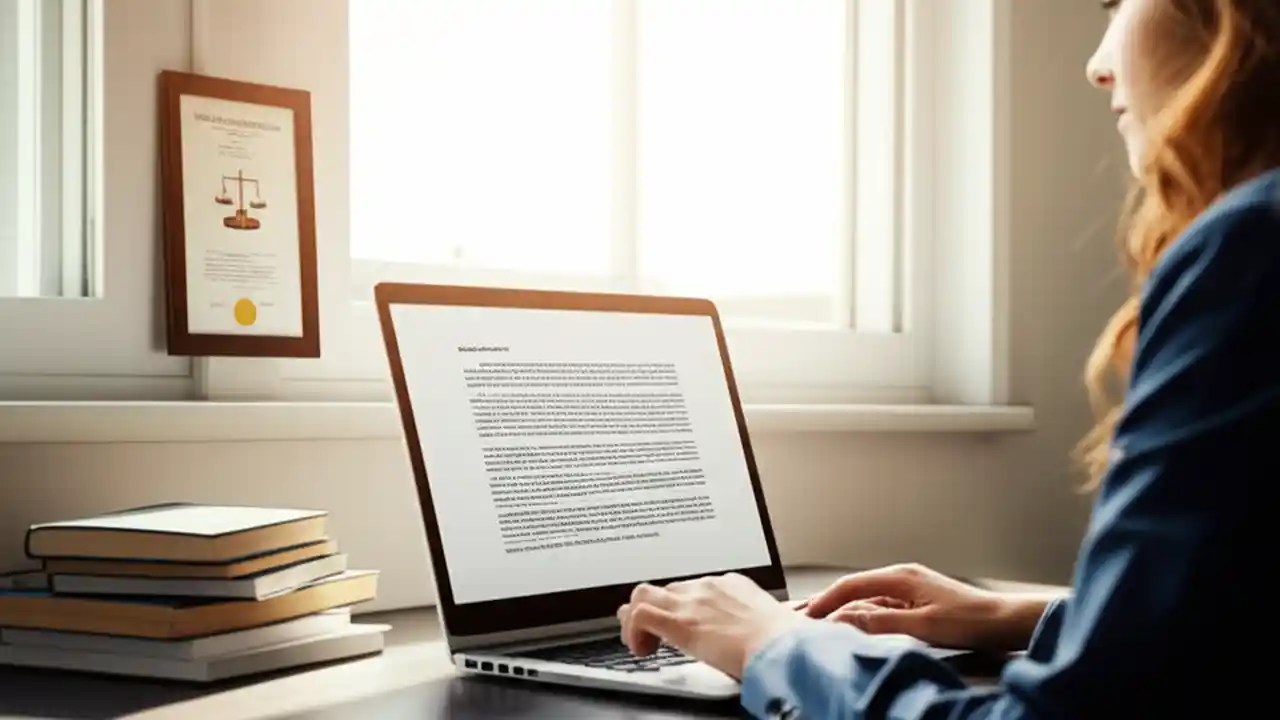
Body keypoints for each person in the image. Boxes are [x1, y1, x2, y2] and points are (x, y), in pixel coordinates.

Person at [617, 0, 1279, 717]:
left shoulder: (1253, 248)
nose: (1098, 63)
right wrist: (1026, 616)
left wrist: (774, 644)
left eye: (1118, 5)